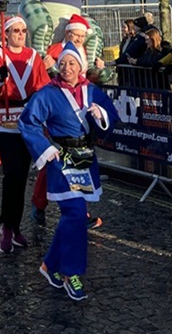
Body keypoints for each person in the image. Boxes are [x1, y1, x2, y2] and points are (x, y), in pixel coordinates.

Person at [19, 42, 118, 301]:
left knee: (73, 217)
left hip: (85, 158)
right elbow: (27, 121)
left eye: (72, 63)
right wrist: (44, 147)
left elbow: (113, 117)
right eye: (62, 63)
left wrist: (101, 115)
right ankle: (70, 272)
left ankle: (49, 264)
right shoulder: (48, 93)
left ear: (81, 66)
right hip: (61, 159)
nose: (66, 68)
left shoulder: (92, 91)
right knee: (75, 213)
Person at [0, 15, 50, 253]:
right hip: (3, 122)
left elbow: (43, 87)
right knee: (12, 174)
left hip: (26, 121)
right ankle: (6, 226)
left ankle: (15, 226)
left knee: (21, 176)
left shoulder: (33, 57)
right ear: (7, 34)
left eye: (23, 31)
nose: (20, 35)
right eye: (16, 31)